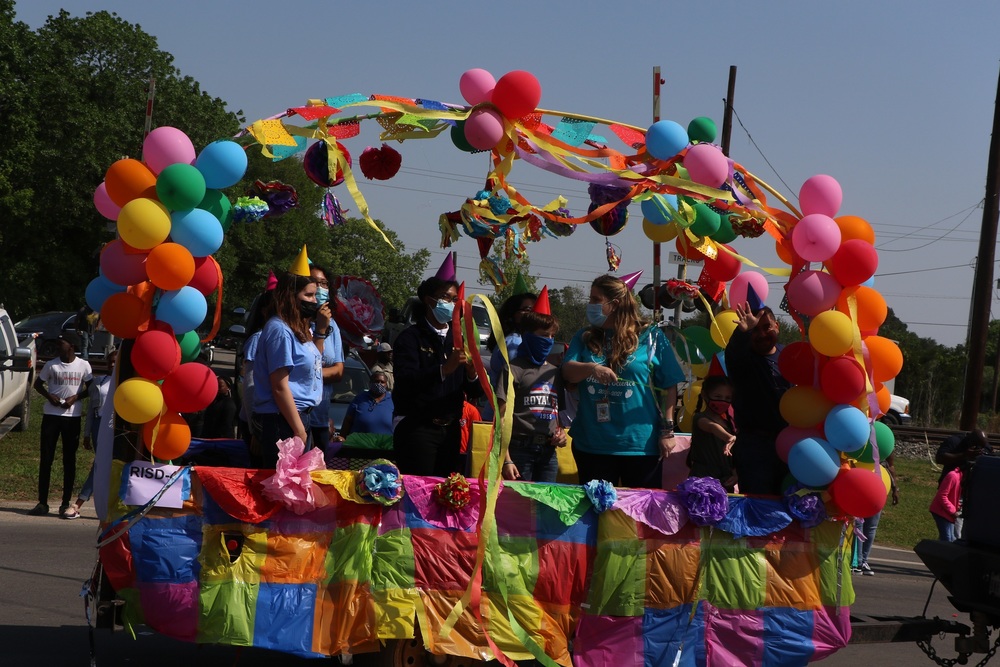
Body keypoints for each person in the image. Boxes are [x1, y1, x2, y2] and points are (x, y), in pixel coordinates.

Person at [561, 274, 684, 488]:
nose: (590, 305)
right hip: (592, 444)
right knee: (595, 514)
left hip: (639, 445)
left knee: (637, 517)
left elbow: (669, 387)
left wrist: (667, 431)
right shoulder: (584, 337)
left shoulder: (651, 337)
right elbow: (568, 372)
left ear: (614, 304)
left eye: (595, 300)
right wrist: (592, 368)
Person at [392, 276, 484, 477]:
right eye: (444, 297)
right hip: (418, 427)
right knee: (419, 490)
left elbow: (476, 392)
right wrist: (444, 370)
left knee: (447, 492)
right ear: (428, 300)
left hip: (451, 431)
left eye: (453, 299)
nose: (449, 304)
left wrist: (471, 374)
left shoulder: (460, 338)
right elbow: (406, 381)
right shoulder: (410, 337)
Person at [251, 253, 333, 467]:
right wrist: (298, 430)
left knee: (299, 489)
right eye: (308, 295)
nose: (314, 301)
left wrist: (321, 332)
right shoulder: (279, 330)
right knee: (284, 489)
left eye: (315, 296)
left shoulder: (298, 328)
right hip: (284, 419)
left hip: (300, 417)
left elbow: (314, 364)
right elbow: (279, 386)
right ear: (291, 296)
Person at [496, 292, 566, 483]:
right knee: (520, 506)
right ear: (528, 336)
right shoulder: (513, 369)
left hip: (548, 453)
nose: (549, 340)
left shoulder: (554, 372)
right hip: (520, 450)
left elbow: (557, 415)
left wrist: (561, 436)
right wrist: (506, 460)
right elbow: (500, 418)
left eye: (552, 336)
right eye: (544, 335)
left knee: (545, 504)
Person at [724, 302, 791, 495]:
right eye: (755, 330)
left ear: (777, 326)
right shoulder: (742, 359)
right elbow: (734, 352)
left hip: (789, 443)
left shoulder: (788, 355)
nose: (761, 334)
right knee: (758, 504)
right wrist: (743, 331)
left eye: (766, 327)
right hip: (755, 446)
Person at [30, 331, 93, 517]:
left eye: (62, 344)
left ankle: (65, 502)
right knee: (46, 458)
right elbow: (38, 384)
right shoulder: (51, 365)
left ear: (71, 346)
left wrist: (76, 397)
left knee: (69, 460)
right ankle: (42, 502)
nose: (58, 347)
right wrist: (50, 396)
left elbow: (90, 388)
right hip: (51, 415)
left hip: (71, 417)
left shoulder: (84, 365)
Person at [64, 346, 117, 519]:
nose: (112, 365)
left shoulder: (127, 383)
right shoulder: (99, 382)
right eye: (110, 362)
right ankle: (78, 504)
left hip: (119, 428)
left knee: (110, 465)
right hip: (99, 425)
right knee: (100, 463)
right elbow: (92, 409)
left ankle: (80, 502)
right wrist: (87, 434)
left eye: (116, 362)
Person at [307, 264, 345, 451]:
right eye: (315, 283)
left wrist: (313, 373)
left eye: (324, 284)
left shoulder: (334, 326)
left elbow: (339, 371)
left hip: (321, 420)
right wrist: (320, 331)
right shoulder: (295, 324)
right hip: (299, 418)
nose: (320, 288)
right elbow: (302, 370)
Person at [686, 375, 738, 492]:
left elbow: (732, 457)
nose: (723, 402)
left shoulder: (729, 423)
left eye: (727, 398)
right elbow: (712, 427)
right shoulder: (700, 418)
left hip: (724, 481)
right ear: (705, 395)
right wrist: (728, 437)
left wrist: (735, 474)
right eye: (718, 397)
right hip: (702, 480)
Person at [852, 453, 898, 576]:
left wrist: (895, 489)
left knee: (871, 527)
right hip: (859, 486)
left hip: (878, 488)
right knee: (858, 525)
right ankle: (857, 562)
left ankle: (863, 561)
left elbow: (890, 466)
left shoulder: (884, 442)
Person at [486, 292, 537, 386]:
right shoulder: (514, 342)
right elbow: (517, 376)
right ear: (513, 314)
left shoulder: (519, 339)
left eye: (535, 309)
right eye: (528, 309)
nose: (534, 314)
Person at [336, 370, 395, 438]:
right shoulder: (359, 399)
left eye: (382, 382)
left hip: (384, 446)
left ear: (386, 384)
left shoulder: (392, 400)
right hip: (361, 445)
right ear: (370, 383)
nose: (379, 384)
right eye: (376, 381)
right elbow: (348, 421)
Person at [930, 460, 965, 542]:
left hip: (949, 513)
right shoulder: (953, 476)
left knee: (951, 539)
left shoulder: (963, 479)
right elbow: (942, 495)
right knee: (948, 539)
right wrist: (953, 511)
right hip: (941, 511)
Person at [201, 374, 238, 439]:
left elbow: (227, 426)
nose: (217, 388)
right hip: (208, 438)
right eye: (216, 385)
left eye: (220, 386)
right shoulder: (213, 400)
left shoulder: (229, 404)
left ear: (228, 388)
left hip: (220, 441)